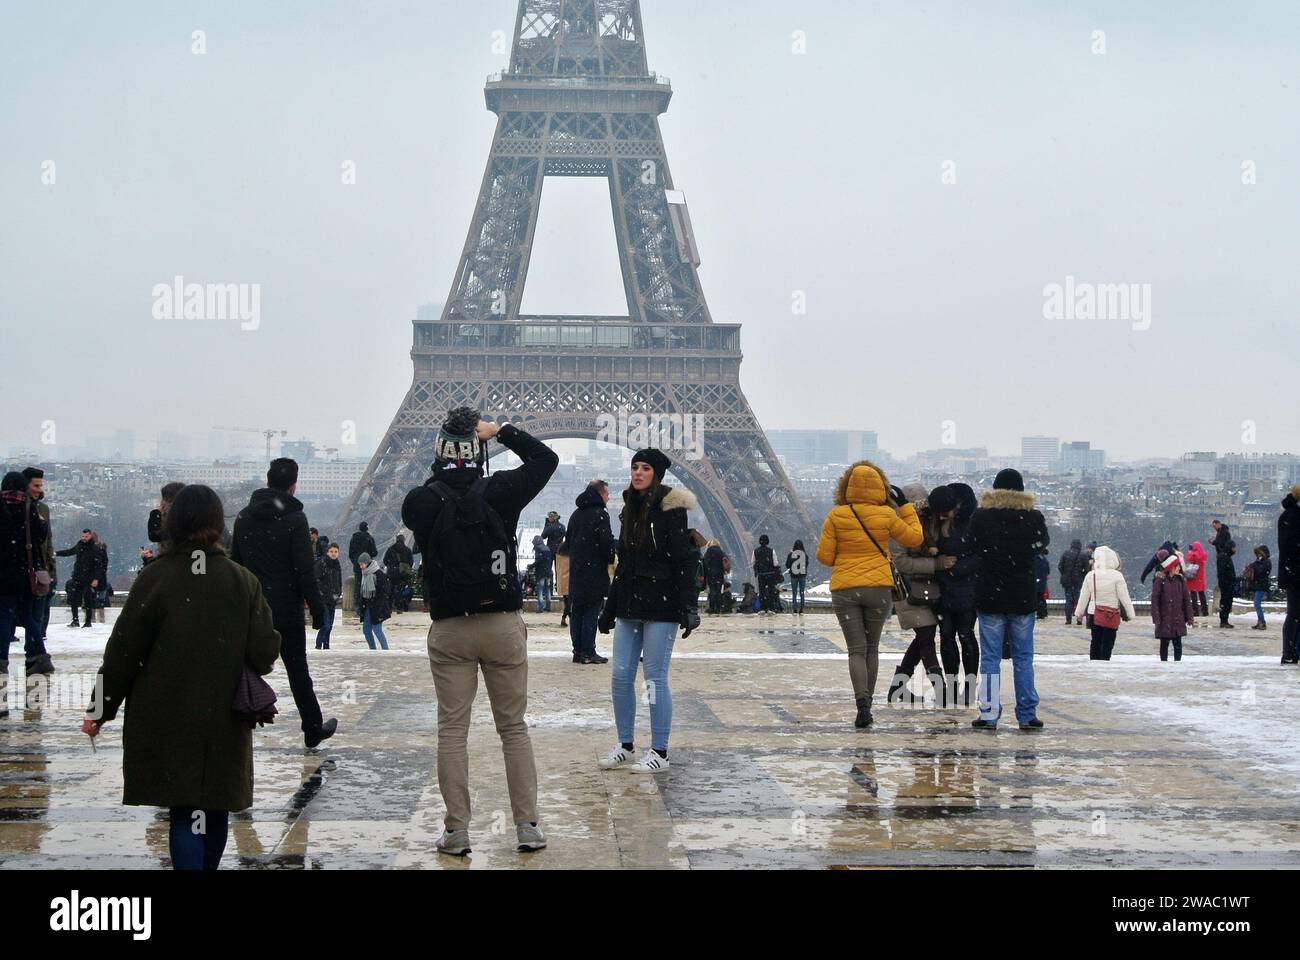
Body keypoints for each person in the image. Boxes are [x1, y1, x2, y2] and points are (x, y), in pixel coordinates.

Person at [81, 484, 280, 870]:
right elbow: (265, 652)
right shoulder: (242, 581)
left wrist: (98, 709)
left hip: (167, 712)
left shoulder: (155, 579)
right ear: (218, 525)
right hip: (224, 714)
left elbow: (122, 654)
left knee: (185, 811)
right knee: (216, 807)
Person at [401, 407, 558, 856]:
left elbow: (425, 517)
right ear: (477, 450)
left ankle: (456, 831)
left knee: (452, 731)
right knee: (513, 729)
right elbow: (545, 460)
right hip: (502, 624)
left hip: (450, 627)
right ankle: (527, 826)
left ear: (440, 452)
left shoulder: (420, 501)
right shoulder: (501, 491)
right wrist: (503, 432)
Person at [596, 448, 700, 773]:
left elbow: (684, 561)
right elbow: (624, 564)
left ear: (657, 473)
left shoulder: (671, 509)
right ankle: (626, 744)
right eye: (634, 467)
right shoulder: (629, 508)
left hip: (661, 604)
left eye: (645, 468)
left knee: (654, 679)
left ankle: (660, 750)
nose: (638, 473)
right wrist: (609, 609)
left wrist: (687, 607)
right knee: (620, 676)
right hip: (629, 601)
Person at [230, 458, 335, 749]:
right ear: (293, 485)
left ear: (267, 481)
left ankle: (232, 722)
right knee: (298, 671)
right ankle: (312, 727)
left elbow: (234, 565)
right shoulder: (295, 519)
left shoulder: (243, 517)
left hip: (252, 608)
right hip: (286, 608)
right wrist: (316, 608)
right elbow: (304, 569)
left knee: (241, 669)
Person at [816, 460, 923, 729]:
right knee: (872, 649)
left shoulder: (836, 515)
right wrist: (906, 507)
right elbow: (915, 538)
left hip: (845, 589)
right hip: (878, 588)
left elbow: (825, 558)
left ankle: (860, 704)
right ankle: (870, 706)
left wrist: (847, 553)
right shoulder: (886, 515)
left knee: (855, 651)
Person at [969, 469, 1049, 731]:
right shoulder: (1032, 517)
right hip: (1021, 596)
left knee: (990, 658)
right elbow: (1042, 543)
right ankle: (1027, 713)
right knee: (1023, 657)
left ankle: (989, 713)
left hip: (990, 595)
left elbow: (969, 545)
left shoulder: (981, 517)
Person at [887, 485, 946, 707]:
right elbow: (900, 561)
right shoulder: (900, 528)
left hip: (919, 589)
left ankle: (897, 688)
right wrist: (935, 564)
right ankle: (940, 689)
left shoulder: (914, 525)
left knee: (923, 638)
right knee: (926, 638)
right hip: (909, 590)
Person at [1, 472, 55, 695]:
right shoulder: (29, 508)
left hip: (3, 574)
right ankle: (40, 655)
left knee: (4, 618)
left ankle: (2, 660)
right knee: (26, 615)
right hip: (25, 574)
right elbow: (42, 536)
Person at [931, 483, 979, 705]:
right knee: (955, 636)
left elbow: (980, 555)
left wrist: (951, 567)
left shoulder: (965, 522)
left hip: (959, 586)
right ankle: (957, 686)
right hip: (953, 586)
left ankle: (963, 686)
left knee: (958, 635)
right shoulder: (965, 521)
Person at [564, 481, 613, 664]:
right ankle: (588, 651)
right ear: (601, 494)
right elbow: (606, 542)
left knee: (577, 610)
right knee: (592, 610)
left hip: (577, 570)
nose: (608, 498)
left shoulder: (576, 514)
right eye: (607, 494)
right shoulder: (601, 515)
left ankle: (577, 650)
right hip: (594, 571)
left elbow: (567, 542)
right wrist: (608, 558)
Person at [1074, 545, 1136, 660]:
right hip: (1111, 613)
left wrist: (1079, 612)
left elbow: (1084, 596)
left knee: (1095, 641)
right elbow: (1124, 597)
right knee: (1108, 642)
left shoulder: (1090, 575)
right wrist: (1130, 613)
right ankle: (1105, 662)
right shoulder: (1117, 576)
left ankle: (1094, 662)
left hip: (1094, 613)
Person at [21, 467, 56, 658]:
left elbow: (48, 540)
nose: (39, 489)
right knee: (30, 613)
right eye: (36, 485)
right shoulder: (23, 508)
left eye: (41, 485)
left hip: (39, 567)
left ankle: (33, 651)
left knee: (35, 613)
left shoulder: (42, 508)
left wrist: (49, 565)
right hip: (26, 566)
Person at [1150, 549, 1194, 661]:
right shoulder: (1160, 581)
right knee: (1164, 643)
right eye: (1177, 566)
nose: (1179, 568)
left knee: (1177, 644)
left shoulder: (1180, 581)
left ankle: (1177, 663)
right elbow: (1155, 599)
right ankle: (1163, 663)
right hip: (1165, 618)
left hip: (1177, 618)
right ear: (1170, 568)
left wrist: (1189, 617)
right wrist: (1156, 617)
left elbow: (1186, 600)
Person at [56, 529, 101, 629]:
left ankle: (88, 621)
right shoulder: (79, 545)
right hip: (77, 576)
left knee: (87, 598)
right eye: (83, 536)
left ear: (90, 536)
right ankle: (75, 619)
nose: (84, 538)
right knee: (72, 597)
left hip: (88, 578)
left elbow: (98, 565)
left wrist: (96, 579)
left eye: (86, 537)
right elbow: (70, 551)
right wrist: (57, 553)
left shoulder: (95, 549)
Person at [1279, 485, 1300, 664]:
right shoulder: (1293, 517)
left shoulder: (1289, 515)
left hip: (1292, 571)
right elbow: (1292, 547)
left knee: (1294, 613)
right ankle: (1290, 652)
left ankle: (1291, 652)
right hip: (1295, 572)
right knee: (1294, 613)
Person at [355, 553, 391, 650]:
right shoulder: (364, 573)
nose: (361, 566)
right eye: (360, 564)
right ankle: (372, 649)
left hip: (378, 606)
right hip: (368, 606)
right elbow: (362, 591)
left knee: (377, 629)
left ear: (367, 563)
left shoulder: (378, 574)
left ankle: (385, 650)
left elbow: (385, 590)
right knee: (366, 629)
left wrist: (375, 598)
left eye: (362, 564)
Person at [315, 543, 343, 649]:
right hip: (323, 598)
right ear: (327, 552)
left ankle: (326, 646)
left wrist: (338, 591)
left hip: (333, 598)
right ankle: (318, 646)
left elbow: (339, 581)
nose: (333, 554)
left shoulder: (337, 564)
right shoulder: (322, 564)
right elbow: (317, 580)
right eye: (331, 551)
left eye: (335, 552)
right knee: (325, 625)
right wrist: (322, 593)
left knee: (330, 625)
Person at [1210, 520, 1237, 628]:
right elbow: (1226, 571)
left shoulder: (1222, 555)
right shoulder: (1225, 558)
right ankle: (1224, 620)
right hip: (1226, 581)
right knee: (1226, 599)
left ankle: (1224, 619)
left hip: (1225, 580)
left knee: (1225, 599)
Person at [1058, 539, 1089, 626]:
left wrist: (1065, 574)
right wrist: (1081, 576)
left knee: (1068, 600)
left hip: (1067, 581)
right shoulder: (1083, 555)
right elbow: (1086, 569)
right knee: (1079, 600)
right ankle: (1079, 619)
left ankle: (1068, 619)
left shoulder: (1065, 553)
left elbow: (1060, 566)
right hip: (1078, 581)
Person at [146, 481, 184, 550]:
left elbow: (154, 535)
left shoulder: (172, 514)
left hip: (173, 555)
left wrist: (156, 513)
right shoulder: (187, 514)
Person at [347, 522, 378, 606]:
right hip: (368, 565)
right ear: (367, 528)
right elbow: (374, 552)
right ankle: (366, 602)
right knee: (368, 583)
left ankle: (357, 603)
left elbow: (350, 553)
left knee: (358, 583)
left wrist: (355, 561)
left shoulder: (354, 538)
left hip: (357, 565)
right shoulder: (370, 538)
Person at [1245, 545, 1272, 630]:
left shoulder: (1267, 562)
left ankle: (1262, 622)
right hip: (1259, 585)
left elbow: (1261, 570)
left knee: (1257, 604)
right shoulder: (1259, 561)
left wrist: (1254, 566)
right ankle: (1259, 621)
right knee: (1257, 604)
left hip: (1262, 585)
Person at [753, 534, 779, 615]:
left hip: (761, 574)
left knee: (762, 591)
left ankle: (762, 608)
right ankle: (771, 608)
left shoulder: (755, 551)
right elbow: (775, 563)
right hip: (770, 574)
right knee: (771, 591)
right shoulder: (771, 551)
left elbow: (753, 562)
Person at [703, 539, 728, 615]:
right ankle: (718, 607)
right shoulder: (721, 551)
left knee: (712, 591)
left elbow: (705, 563)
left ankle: (712, 607)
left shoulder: (709, 551)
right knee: (719, 591)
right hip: (719, 574)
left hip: (711, 574)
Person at [785, 539, 809, 615]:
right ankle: (801, 610)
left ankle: (794, 609)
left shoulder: (791, 554)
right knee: (802, 593)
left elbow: (787, 565)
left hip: (794, 575)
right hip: (802, 575)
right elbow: (806, 564)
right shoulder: (804, 554)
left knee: (794, 593)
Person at [1034, 547, 1051, 620]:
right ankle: (1043, 613)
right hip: (1042, 582)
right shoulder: (1045, 560)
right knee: (1041, 598)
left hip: (1037, 581)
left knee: (1038, 598)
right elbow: (1048, 571)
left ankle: (1040, 614)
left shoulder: (1035, 559)